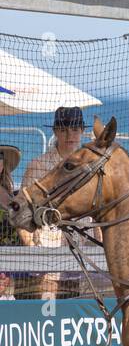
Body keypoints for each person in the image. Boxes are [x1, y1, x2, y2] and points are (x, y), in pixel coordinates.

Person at [20, 107, 87, 297]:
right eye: (64, 130)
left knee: (74, 317)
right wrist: (33, 249)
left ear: (82, 131)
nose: (70, 135)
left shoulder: (88, 165)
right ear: (55, 131)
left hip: (80, 258)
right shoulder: (39, 166)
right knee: (48, 314)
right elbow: (22, 211)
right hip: (47, 259)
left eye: (75, 129)